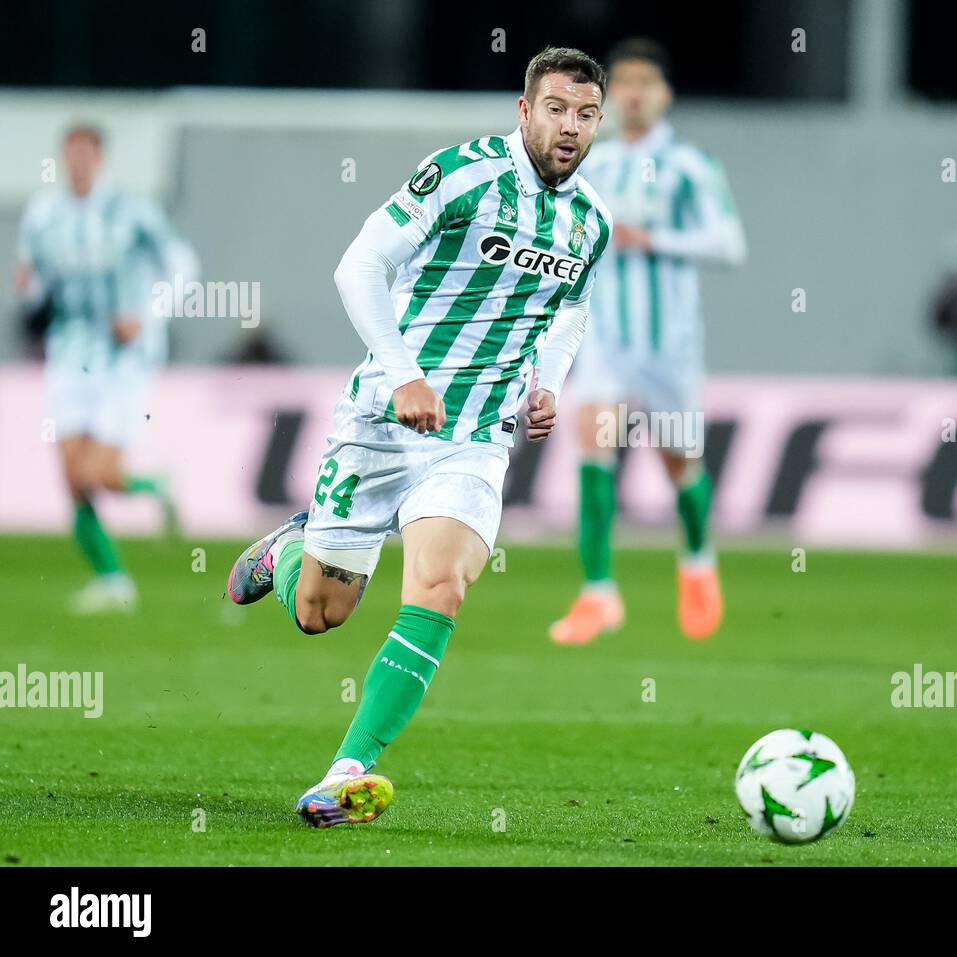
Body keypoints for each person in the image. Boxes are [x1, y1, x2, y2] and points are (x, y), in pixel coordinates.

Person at [226, 47, 612, 828]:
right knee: (317, 612)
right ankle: (288, 550)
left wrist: (549, 383)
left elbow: (570, 308)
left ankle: (344, 771)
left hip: (476, 435)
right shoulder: (466, 175)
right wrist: (404, 373)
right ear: (524, 110)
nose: (570, 128)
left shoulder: (592, 223)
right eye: (557, 110)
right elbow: (359, 265)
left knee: (441, 584)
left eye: (586, 114)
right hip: (382, 418)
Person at [549, 38, 746, 646]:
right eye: (624, 83)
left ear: (664, 96)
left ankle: (697, 563)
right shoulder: (591, 165)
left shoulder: (691, 166)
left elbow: (729, 245)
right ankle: (598, 593)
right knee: (593, 447)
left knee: (679, 463)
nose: (634, 92)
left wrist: (653, 239)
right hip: (606, 334)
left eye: (645, 82)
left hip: (672, 342)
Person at [15, 124, 192, 613]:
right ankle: (114, 580)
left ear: (100, 157)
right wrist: (28, 287)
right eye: (70, 153)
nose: (78, 162)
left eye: (86, 153)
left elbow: (181, 263)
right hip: (69, 356)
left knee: (101, 473)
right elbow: (33, 288)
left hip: (123, 363)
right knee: (72, 478)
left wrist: (149, 315)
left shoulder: (132, 212)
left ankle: (155, 485)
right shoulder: (42, 216)